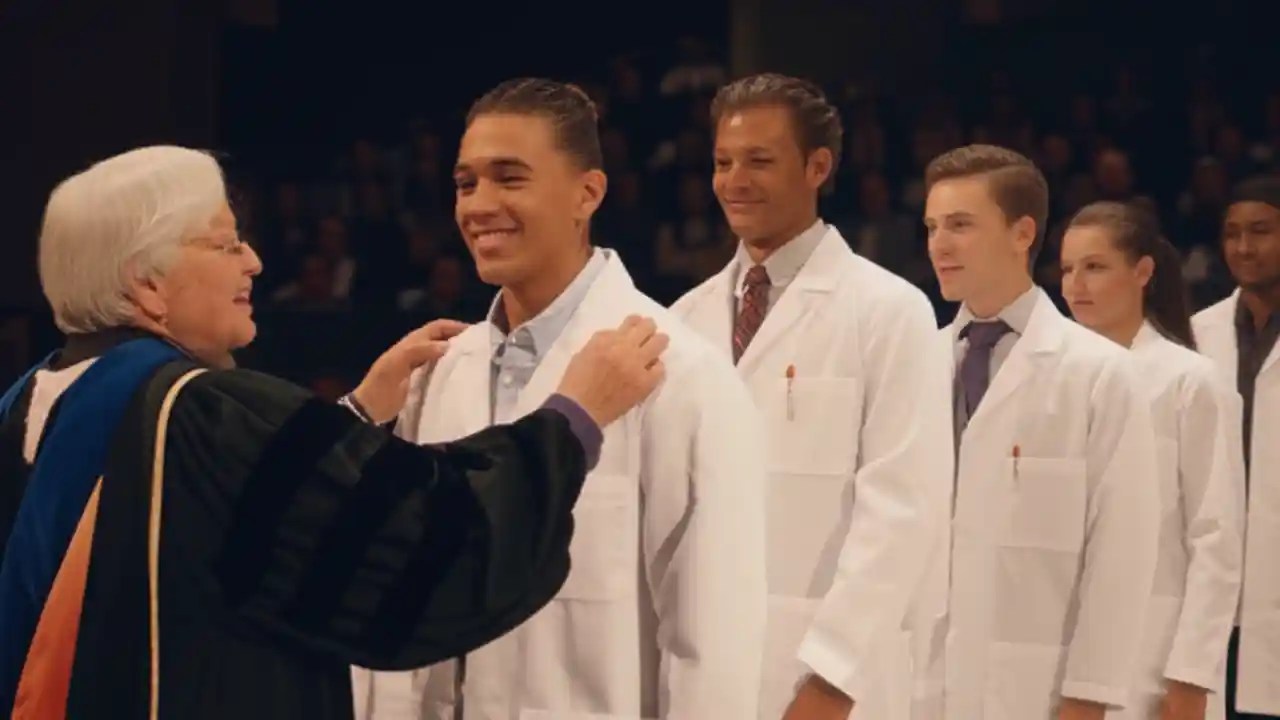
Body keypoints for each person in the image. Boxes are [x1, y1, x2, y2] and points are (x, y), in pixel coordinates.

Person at [0, 145, 669, 720]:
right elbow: (422, 546)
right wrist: (572, 419)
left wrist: (350, 416)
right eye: (226, 242)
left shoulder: (32, 403)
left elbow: (230, 534)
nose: (255, 261)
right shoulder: (204, 411)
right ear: (147, 284)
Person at [360, 78, 768, 720]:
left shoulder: (683, 374)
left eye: (509, 178)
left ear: (588, 193)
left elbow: (711, 646)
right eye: (466, 184)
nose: (479, 205)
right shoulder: (439, 374)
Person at [671, 73, 954, 720]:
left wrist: (833, 677)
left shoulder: (889, 311)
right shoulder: (684, 319)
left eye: (760, 161)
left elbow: (903, 506)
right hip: (704, 672)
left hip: (828, 677)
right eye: (722, 162)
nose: (734, 180)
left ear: (817, 166)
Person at [923, 144, 1160, 720]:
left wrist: (1089, 694)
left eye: (960, 225)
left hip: (1038, 688)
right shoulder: (915, 362)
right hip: (917, 681)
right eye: (931, 226)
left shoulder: (1098, 372)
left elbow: (1123, 550)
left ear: (1022, 232)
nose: (939, 244)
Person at [1059, 200, 1245, 720]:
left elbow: (1216, 536)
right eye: (1067, 269)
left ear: (1143, 272)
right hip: (1058, 647)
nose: (1076, 284)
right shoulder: (1052, 378)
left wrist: (1191, 675)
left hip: (1152, 655)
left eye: (1095, 267)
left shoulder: (1189, 380)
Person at [1192, 177, 1280, 720]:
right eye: (1232, 234)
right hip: (1216, 585)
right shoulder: (1199, 334)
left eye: (1261, 232)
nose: (1244, 248)